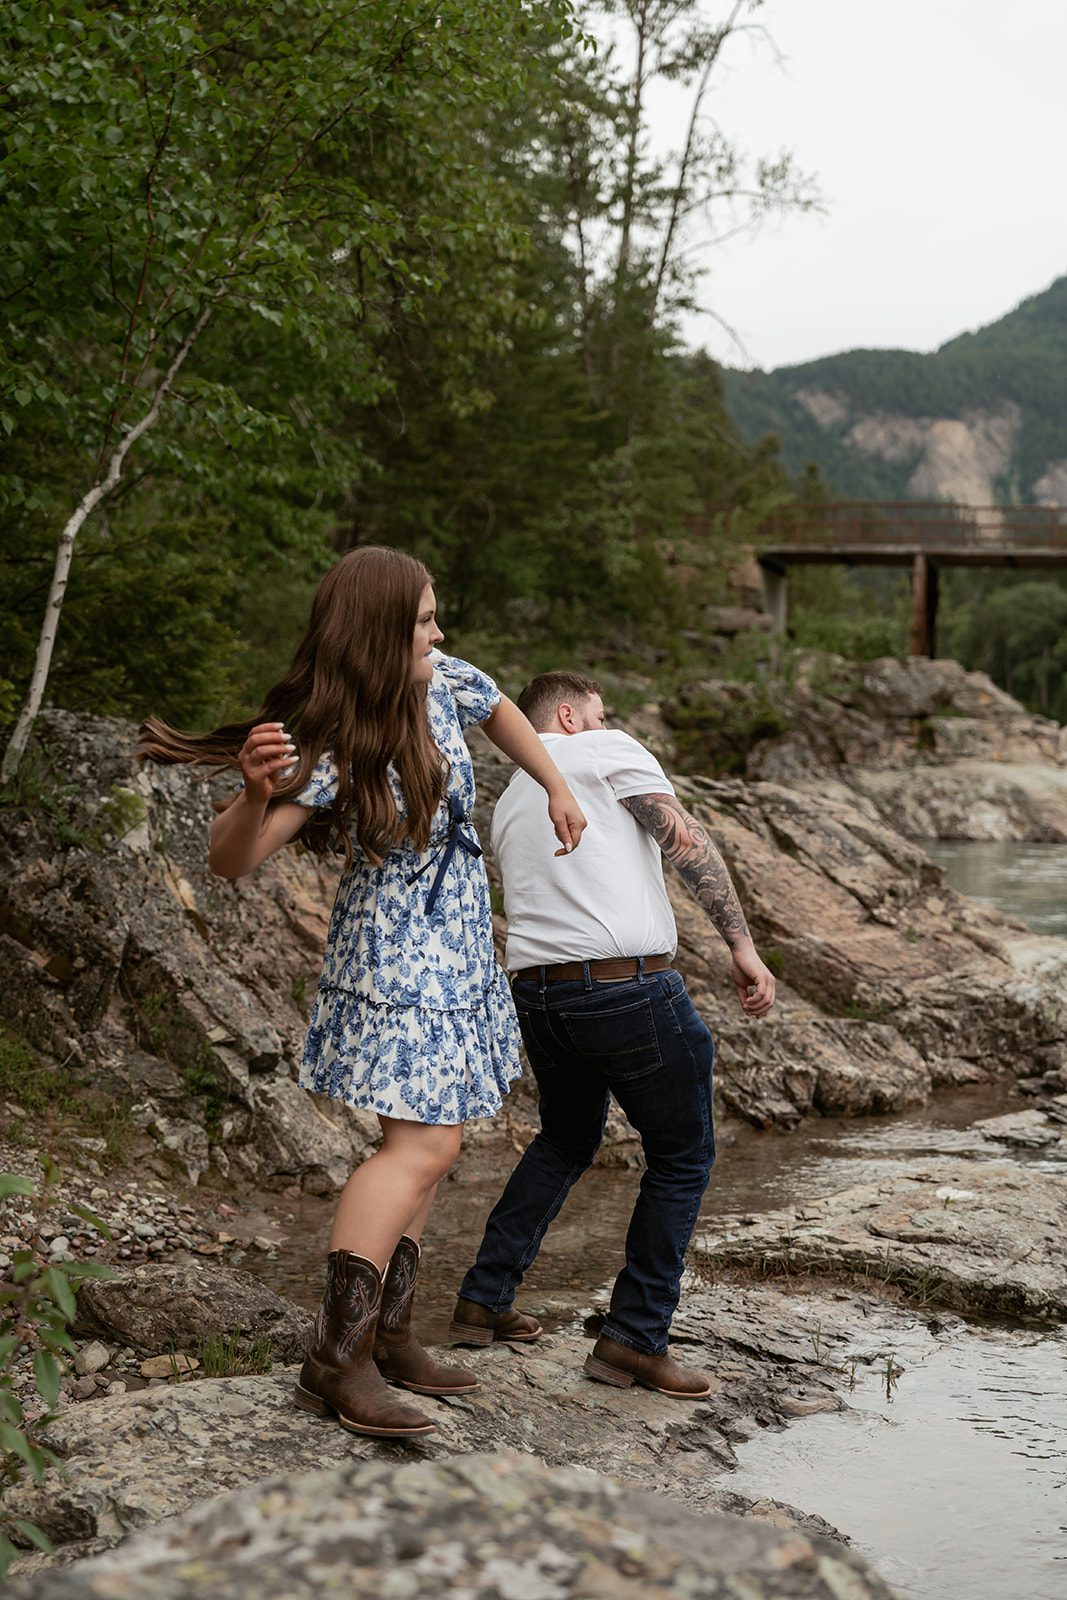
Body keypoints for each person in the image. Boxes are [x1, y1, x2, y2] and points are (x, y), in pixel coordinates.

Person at [140, 549, 586, 1438]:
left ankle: (388, 1337)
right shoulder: (339, 741)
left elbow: (500, 710)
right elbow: (233, 862)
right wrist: (253, 789)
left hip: (455, 947)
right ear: (383, 632)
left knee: (436, 1142)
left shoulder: (445, 681)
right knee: (420, 1147)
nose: (439, 632)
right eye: (424, 619)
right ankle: (333, 1359)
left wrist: (556, 782)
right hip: (394, 958)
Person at [450, 670, 775, 1397]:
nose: (609, 720)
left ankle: (483, 1300)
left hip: (537, 994)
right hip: (625, 989)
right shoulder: (601, 748)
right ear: (569, 716)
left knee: (564, 1138)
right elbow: (686, 846)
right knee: (682, 1156)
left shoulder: (508, 797)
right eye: (600, 711)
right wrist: (742, 946)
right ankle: (633, 1338)